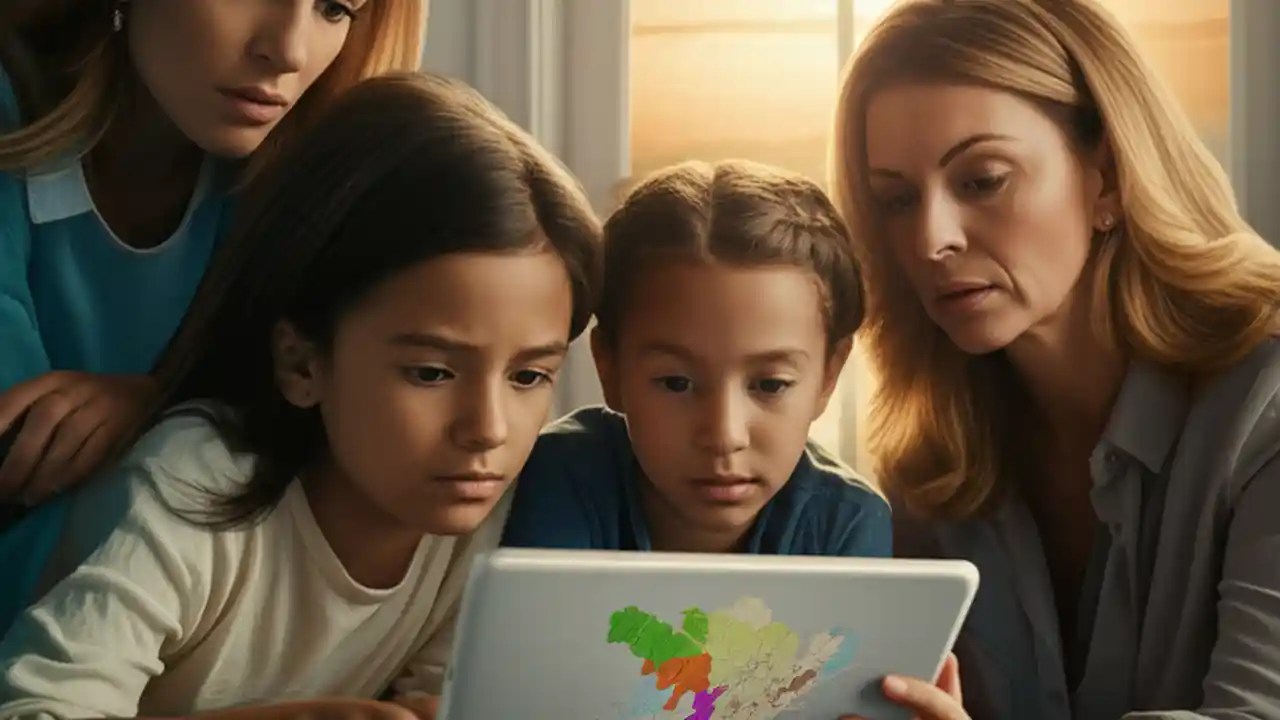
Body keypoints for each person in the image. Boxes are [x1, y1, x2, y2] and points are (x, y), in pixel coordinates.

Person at [0, 71, 601, 718]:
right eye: (431, 372)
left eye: (529, 377)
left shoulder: (500, 514)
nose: (488, 429)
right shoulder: (186, 490)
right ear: (301, 362)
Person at [831, 0, 1280, 718]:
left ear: (1105, 172)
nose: (930, 240)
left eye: (982, 180)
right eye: (897, 199)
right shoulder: (932, 469)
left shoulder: (1267, 402)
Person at [0, 0, 425, 504]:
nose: (290, 51)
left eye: (335, 9)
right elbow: (19, 454)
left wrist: (159, 407)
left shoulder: (296, 185)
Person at [503, 160, 891, 558]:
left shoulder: (847, 524)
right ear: (610, 367)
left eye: (771, 385)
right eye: (676, 383)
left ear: (829, 375)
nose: (724, 436)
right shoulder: (557, 478)